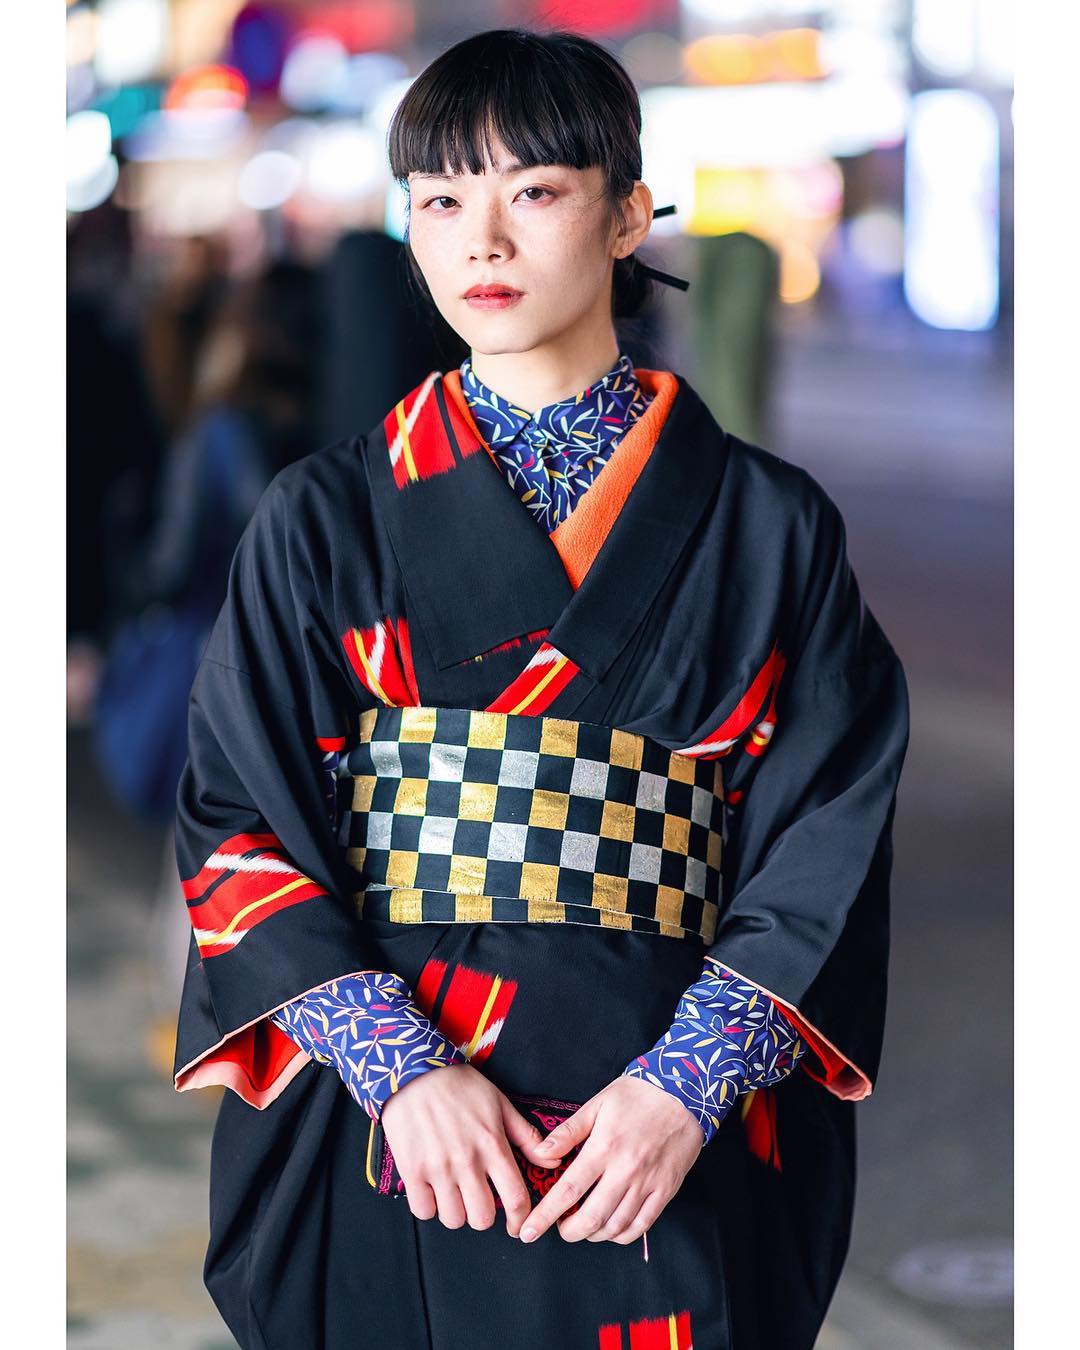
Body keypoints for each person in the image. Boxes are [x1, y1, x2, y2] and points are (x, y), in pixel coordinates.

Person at [172, 28, 909, 1350]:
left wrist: (688, 1086)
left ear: (630, 212)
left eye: (533, 191)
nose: (483, 242)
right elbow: (239, 815)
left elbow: (828, 829)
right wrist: (397, 1071)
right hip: (400, 1120)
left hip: (659, 1123)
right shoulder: (323, 519)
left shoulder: (767, 524)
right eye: (442, 200)